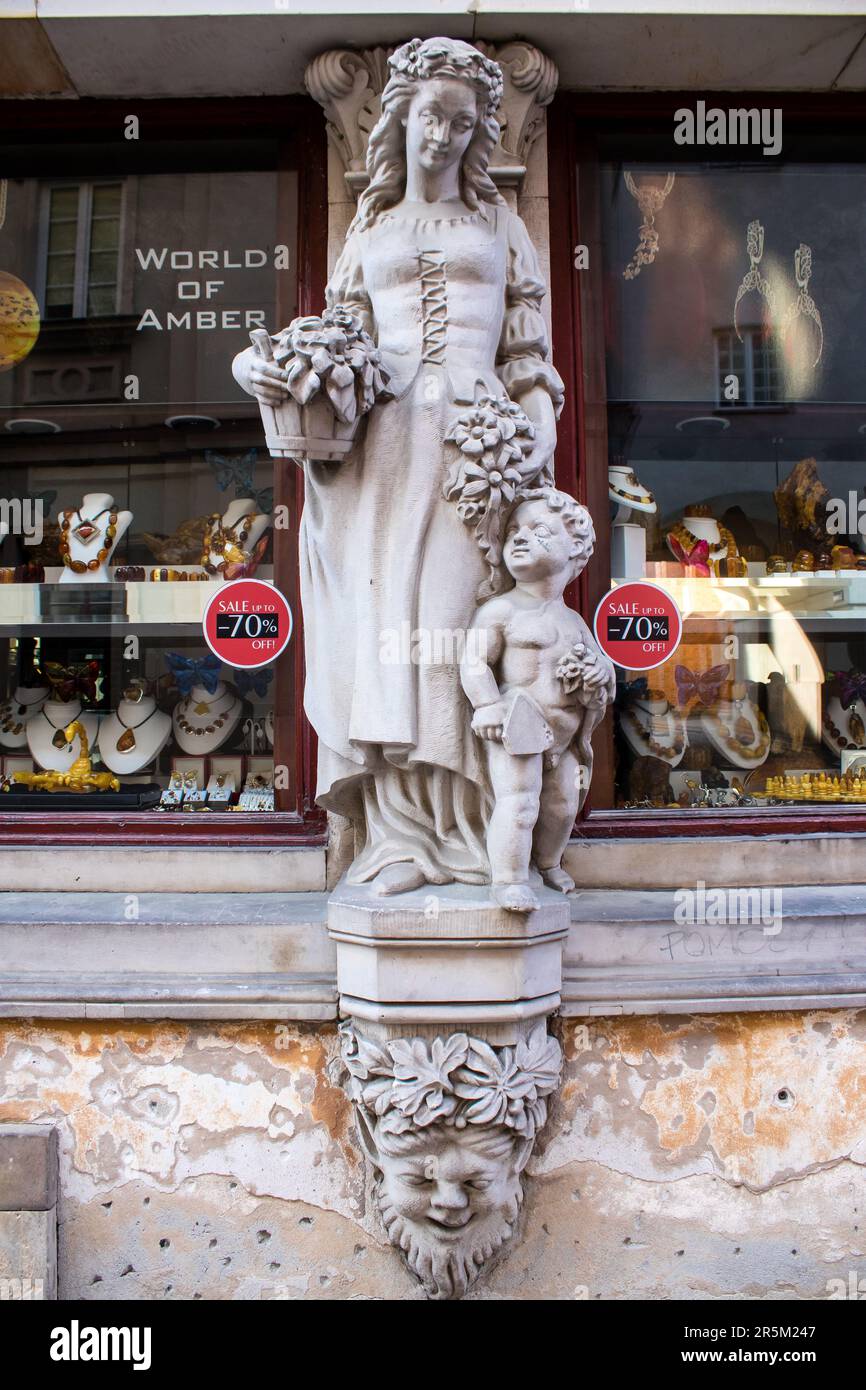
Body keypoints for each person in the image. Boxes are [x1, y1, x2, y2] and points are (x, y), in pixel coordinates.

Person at [233, 38, 564, 894]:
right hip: (377, 453)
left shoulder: (503, 228)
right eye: (430, 115)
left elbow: (529, 354)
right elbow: (330, 342)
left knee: (454, 629)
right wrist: (265, 368)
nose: (444, 135)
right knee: (385, 638)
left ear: (481, 133)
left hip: (475, 450)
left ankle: (470, 838)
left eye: (463, 121)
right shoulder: (372, 231)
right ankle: (401, 839)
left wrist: (537, 432)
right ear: (399, 121)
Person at [461, 489, 616, 911]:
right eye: (513, 530)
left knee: (563, 805)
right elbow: (474, 661)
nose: (519, 538)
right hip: (520, 724)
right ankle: (509, 879)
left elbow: (602, 673)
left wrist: (601, 674)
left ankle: (546, 862)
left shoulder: (575, 621)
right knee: (520, 802)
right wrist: (487, 705)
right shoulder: (501, 610)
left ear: (576, 551)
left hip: (565, 733)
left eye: (538, 531)